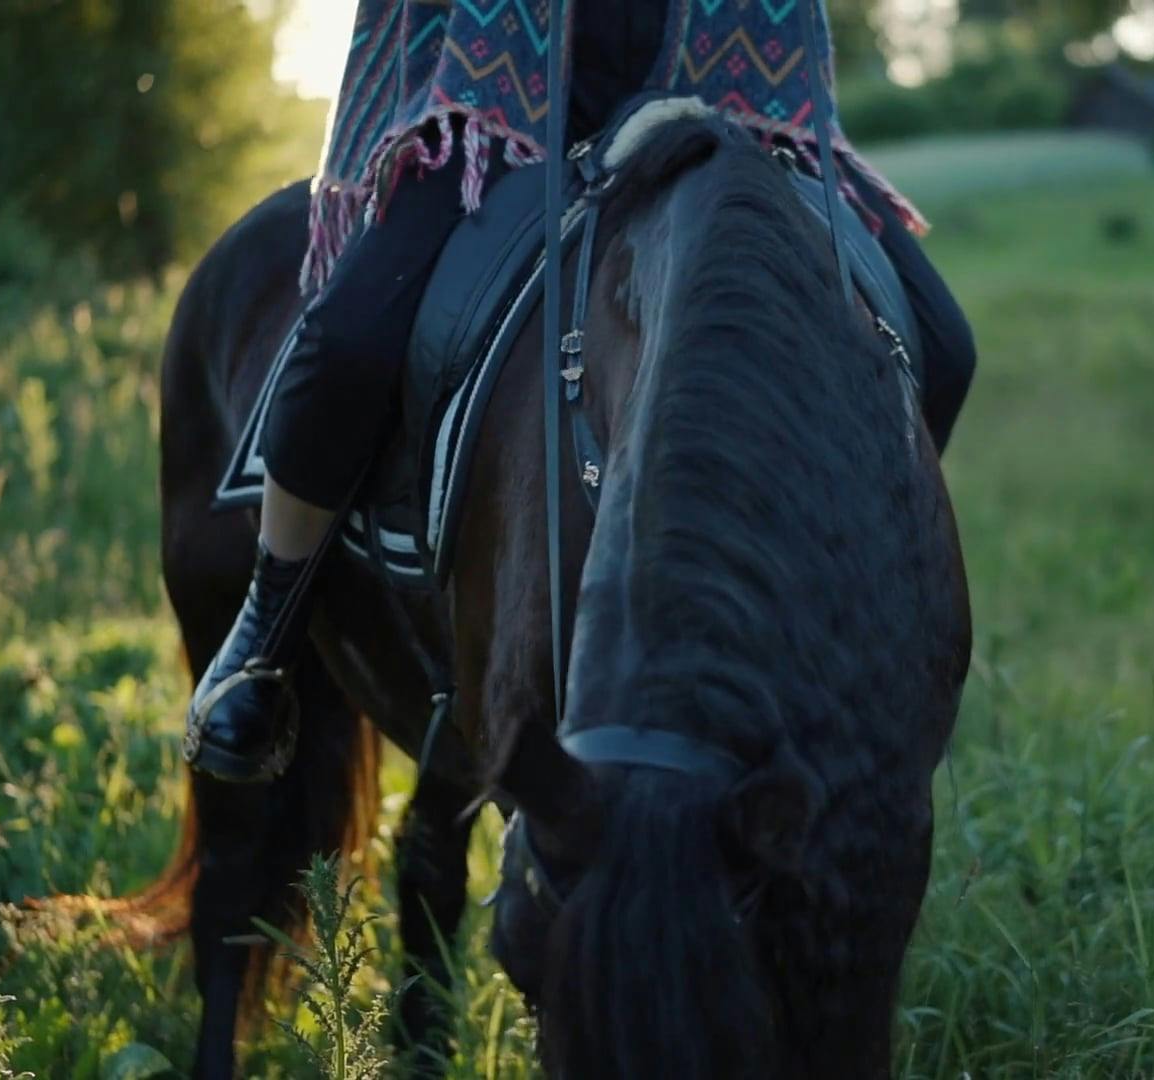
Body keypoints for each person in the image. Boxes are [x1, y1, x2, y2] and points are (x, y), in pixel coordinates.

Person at [184, 1, 977, 784]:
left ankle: (855, 601)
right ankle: (267, 629)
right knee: (350, 342)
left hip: (735, 115)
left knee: (942, 346)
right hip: (504, 117)